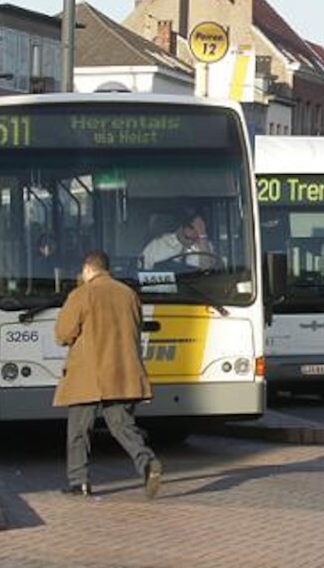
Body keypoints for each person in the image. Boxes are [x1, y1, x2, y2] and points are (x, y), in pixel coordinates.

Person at [54, 250, 162, 498]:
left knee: (79, 431)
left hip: (88, 375)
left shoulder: (82, 294)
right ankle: (146, 462)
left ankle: (79, 482)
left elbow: (63, 333)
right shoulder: (128, 294)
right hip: (122, 372)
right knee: (123, 426)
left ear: (88, 269)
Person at [142, 212, 215, 270]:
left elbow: (208, 272)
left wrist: (202, 236)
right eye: (187, 238)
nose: (191, 242)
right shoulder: (157, 246)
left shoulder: (205, 247)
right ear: (180, 227)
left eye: (195, 239)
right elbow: (140, 273)